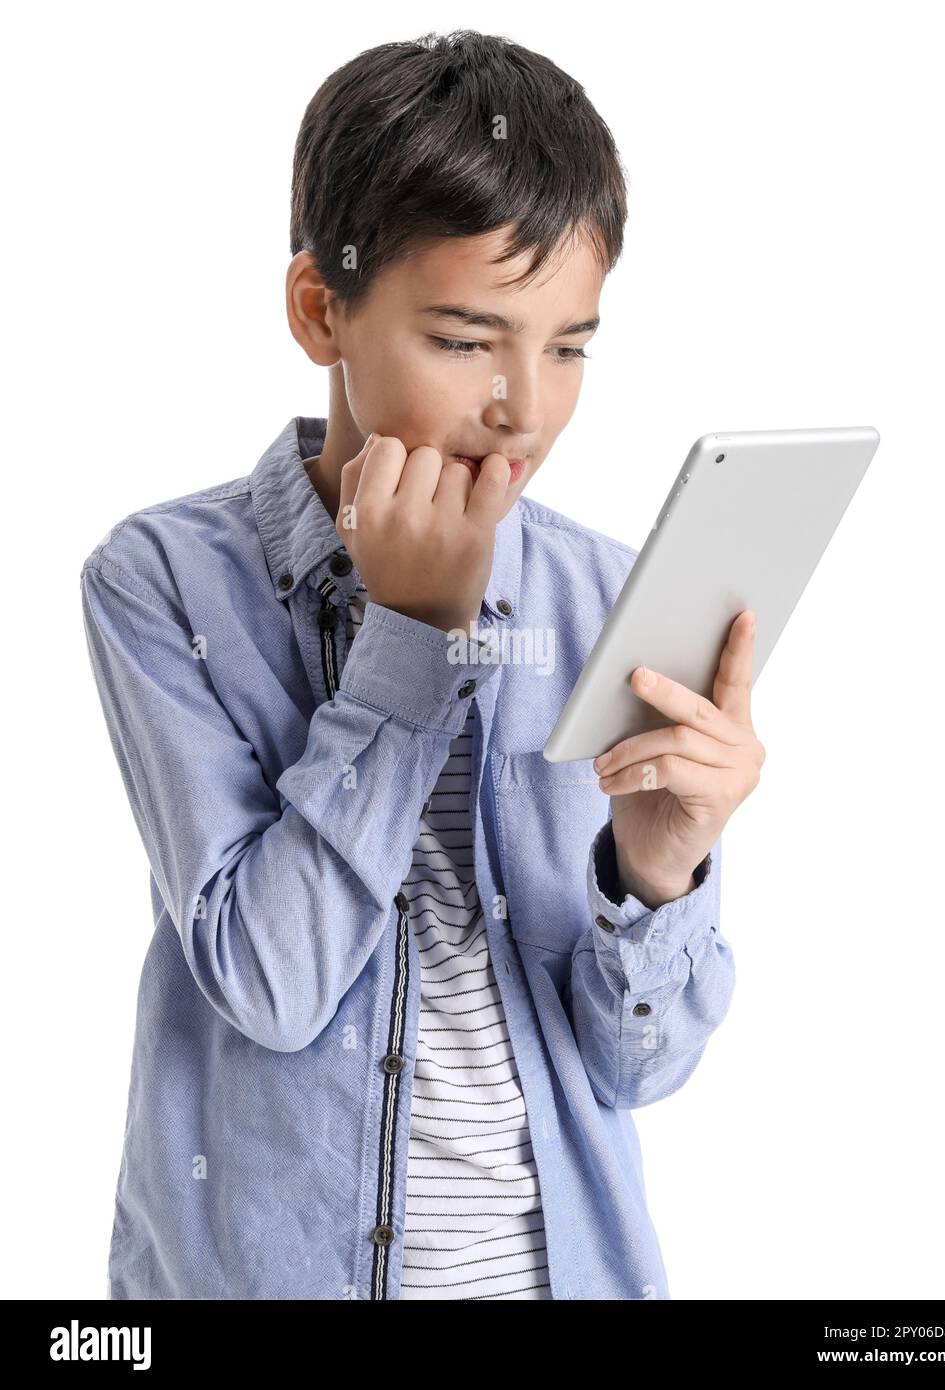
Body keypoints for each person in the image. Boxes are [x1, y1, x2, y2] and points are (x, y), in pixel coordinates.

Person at [80, 29, 764, 1301]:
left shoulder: (605, 593)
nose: (525, 406)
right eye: (467, 339)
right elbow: (269, 983)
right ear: (320, 309)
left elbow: (636, 1072)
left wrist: (657, 870)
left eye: (567, 346)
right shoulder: (164, 581)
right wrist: (410, 642)